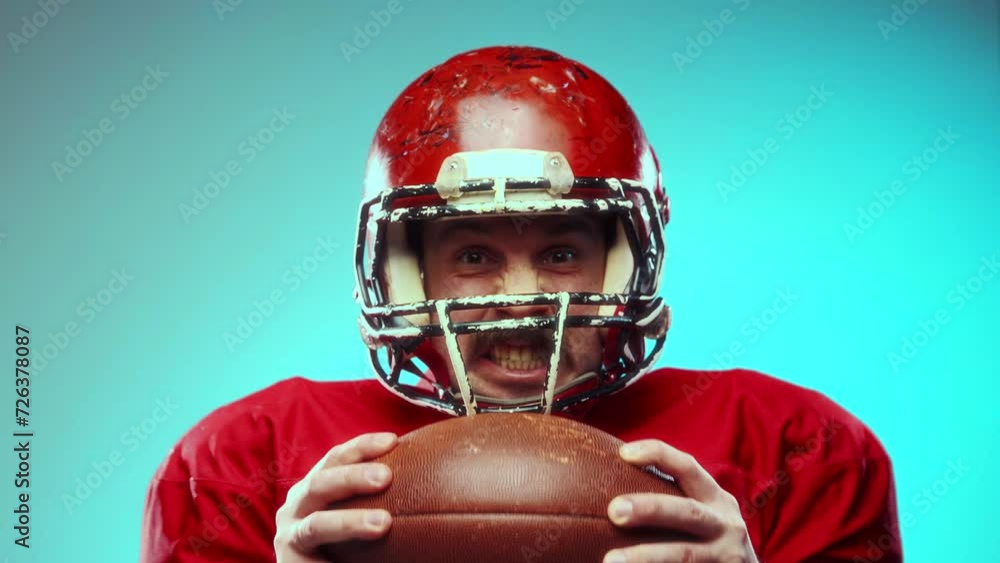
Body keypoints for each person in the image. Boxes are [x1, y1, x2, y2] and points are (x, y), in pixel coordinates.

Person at [140, 46, 902, 563]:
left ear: (625, 255)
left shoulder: (797, 449)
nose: (523, 298)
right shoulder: (243, 462)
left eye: (561, 252)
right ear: (407, 270)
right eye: (473, 255)